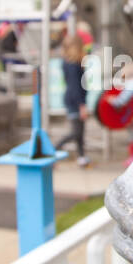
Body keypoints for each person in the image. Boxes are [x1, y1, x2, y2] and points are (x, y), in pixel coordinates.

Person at [53, 35, 90, 168]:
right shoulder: (74, 65)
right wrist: (82, 105)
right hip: (75, 100)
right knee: (76, 132)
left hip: (71, 98)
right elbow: (76, 86)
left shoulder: (66, 62)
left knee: (80, 130)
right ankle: (53, 150)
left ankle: (81, 157)